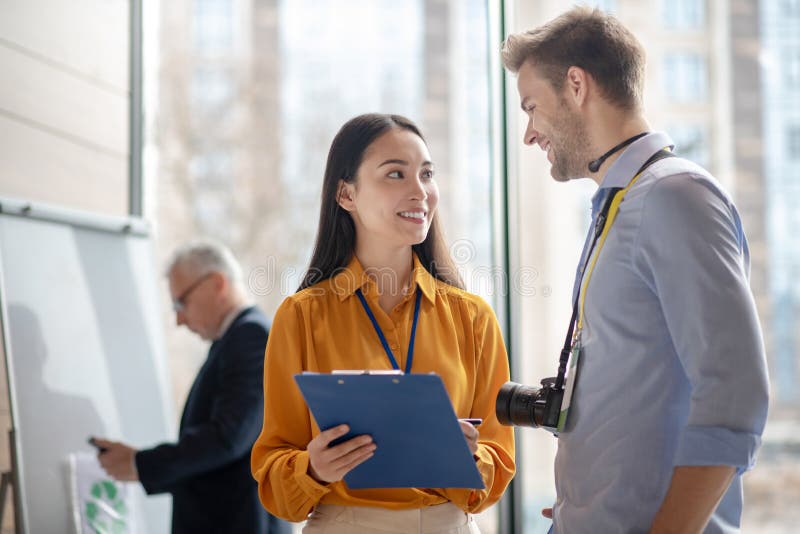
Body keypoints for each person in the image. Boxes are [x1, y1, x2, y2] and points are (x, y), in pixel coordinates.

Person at [501, 7, 770, 533]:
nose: (530, 134)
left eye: (532, 107)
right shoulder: (621, 204)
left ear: (576, 85)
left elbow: (735, 392)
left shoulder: (673, 196)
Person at [250, 113, 515, 533]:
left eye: (427, 174)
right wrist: (314, 468)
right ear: (346, 194)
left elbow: (498, 464)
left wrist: (469, 460)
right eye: (396, 174)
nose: (420, 192)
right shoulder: (301, 316)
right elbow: (274, 476)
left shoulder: (472, 317)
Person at [93, 241, 291, 534]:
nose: (179, 320)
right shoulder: (234, 340)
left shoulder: (250, 336)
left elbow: (229, 437)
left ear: (216, 283)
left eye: (180, 303)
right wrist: (142, 464)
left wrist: (143, 463)